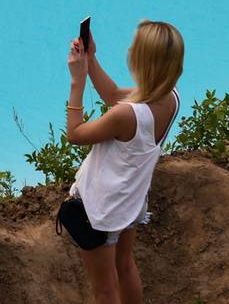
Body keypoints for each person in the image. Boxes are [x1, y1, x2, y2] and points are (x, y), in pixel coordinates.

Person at [65, 20, 183, 304]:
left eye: (134, 46)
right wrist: (90, 59)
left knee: (104, 290)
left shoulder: (126, 116)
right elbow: (112, 95)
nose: (129, 48)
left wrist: (77, 82)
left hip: (102, 209)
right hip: (130, 200)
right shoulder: (170, 98)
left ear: (140, 60)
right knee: (126, 266)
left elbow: (75, 133)